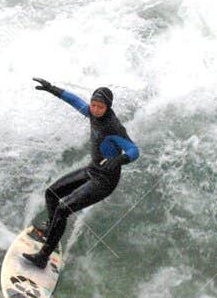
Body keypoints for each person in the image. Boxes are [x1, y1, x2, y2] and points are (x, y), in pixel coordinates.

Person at [24, 79, 140, 269]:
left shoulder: (113, 127)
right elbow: (75, 101)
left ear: (108, 107)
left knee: (63, 209)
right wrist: (52, 89)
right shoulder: (92, 113)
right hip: (93, 169)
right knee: (51, 193)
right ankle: (50, 230)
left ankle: (43, 257)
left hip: (105, 181)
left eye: (100, 107)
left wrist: (120, 159)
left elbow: (134, 150)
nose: (95, 109)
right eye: (93, 105)